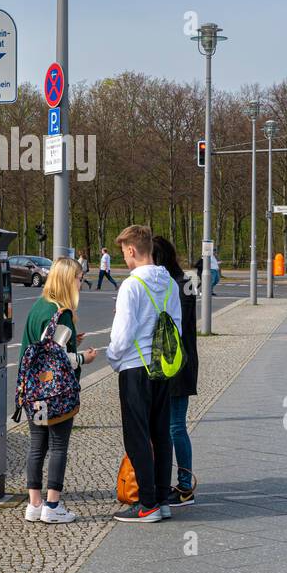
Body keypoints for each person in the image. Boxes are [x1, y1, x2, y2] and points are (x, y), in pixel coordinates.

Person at [106, 224, 181, 524]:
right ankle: (162, 498)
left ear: (133, 250)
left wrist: (113, 358)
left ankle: (146, 504)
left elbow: (123, 334)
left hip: (135, 368)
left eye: (124, 253)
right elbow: (175, 325)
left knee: (137, 437)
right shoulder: (171, 284)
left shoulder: (131, 286)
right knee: (161, 434)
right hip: (162, 368)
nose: (124, 259)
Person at [20, 257, 98, 525]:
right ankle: (53, 505)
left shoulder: (39, 306)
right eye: (78, 278)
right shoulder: (61, 313)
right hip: (57, 395)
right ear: (67, 280)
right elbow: (62, 361)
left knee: (36, 446)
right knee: (58, 446)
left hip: (33, 392)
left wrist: (69, 342)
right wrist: (83, 358)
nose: (80, 283)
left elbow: (44, 349)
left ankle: (34, 504)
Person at [153, 235, 198, 507]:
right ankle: (179, 483)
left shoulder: (175, 287)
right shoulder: (184, 283)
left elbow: (171, 328)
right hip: (183, 362)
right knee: (174, 426)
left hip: (175, 364)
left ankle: (184, 487)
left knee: (175, 427)